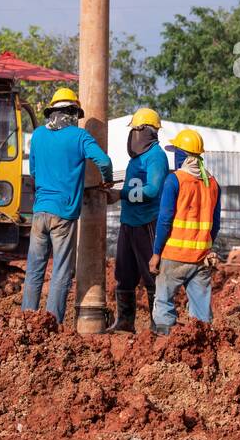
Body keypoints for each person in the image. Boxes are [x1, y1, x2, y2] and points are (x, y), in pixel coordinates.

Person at [23, 87, 112, 324]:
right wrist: (107, 179)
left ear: (52, 111)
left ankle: (26, 321)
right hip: (63, 214)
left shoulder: (39, 135)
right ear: (73, 113)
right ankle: (52, 325)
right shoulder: (79, 136)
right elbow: (103, 160)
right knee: (61, 272)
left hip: (40, 211)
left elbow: (33, 171)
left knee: (34, 271)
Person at [149, 128, 221, 335]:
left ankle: (165, 348)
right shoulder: (213, 183)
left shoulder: (175, 180)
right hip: (202, 257)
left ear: (180, 154)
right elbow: (215, 224)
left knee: (163, 303)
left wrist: (156, 253)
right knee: (202, 313)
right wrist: (206, 245)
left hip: (174, 255)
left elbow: (164, 220)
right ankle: (203, 347)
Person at [106, 108, 169, 333]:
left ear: (144, 131)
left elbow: (152, 190)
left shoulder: (156, 157)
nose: (132, 135)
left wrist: (120, 195)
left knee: (152, 275)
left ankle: (157, 323)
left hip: (147, 223)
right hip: (129, 222)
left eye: (135, 130)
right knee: (124, 274)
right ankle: (124, 321)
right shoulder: (137, 160)